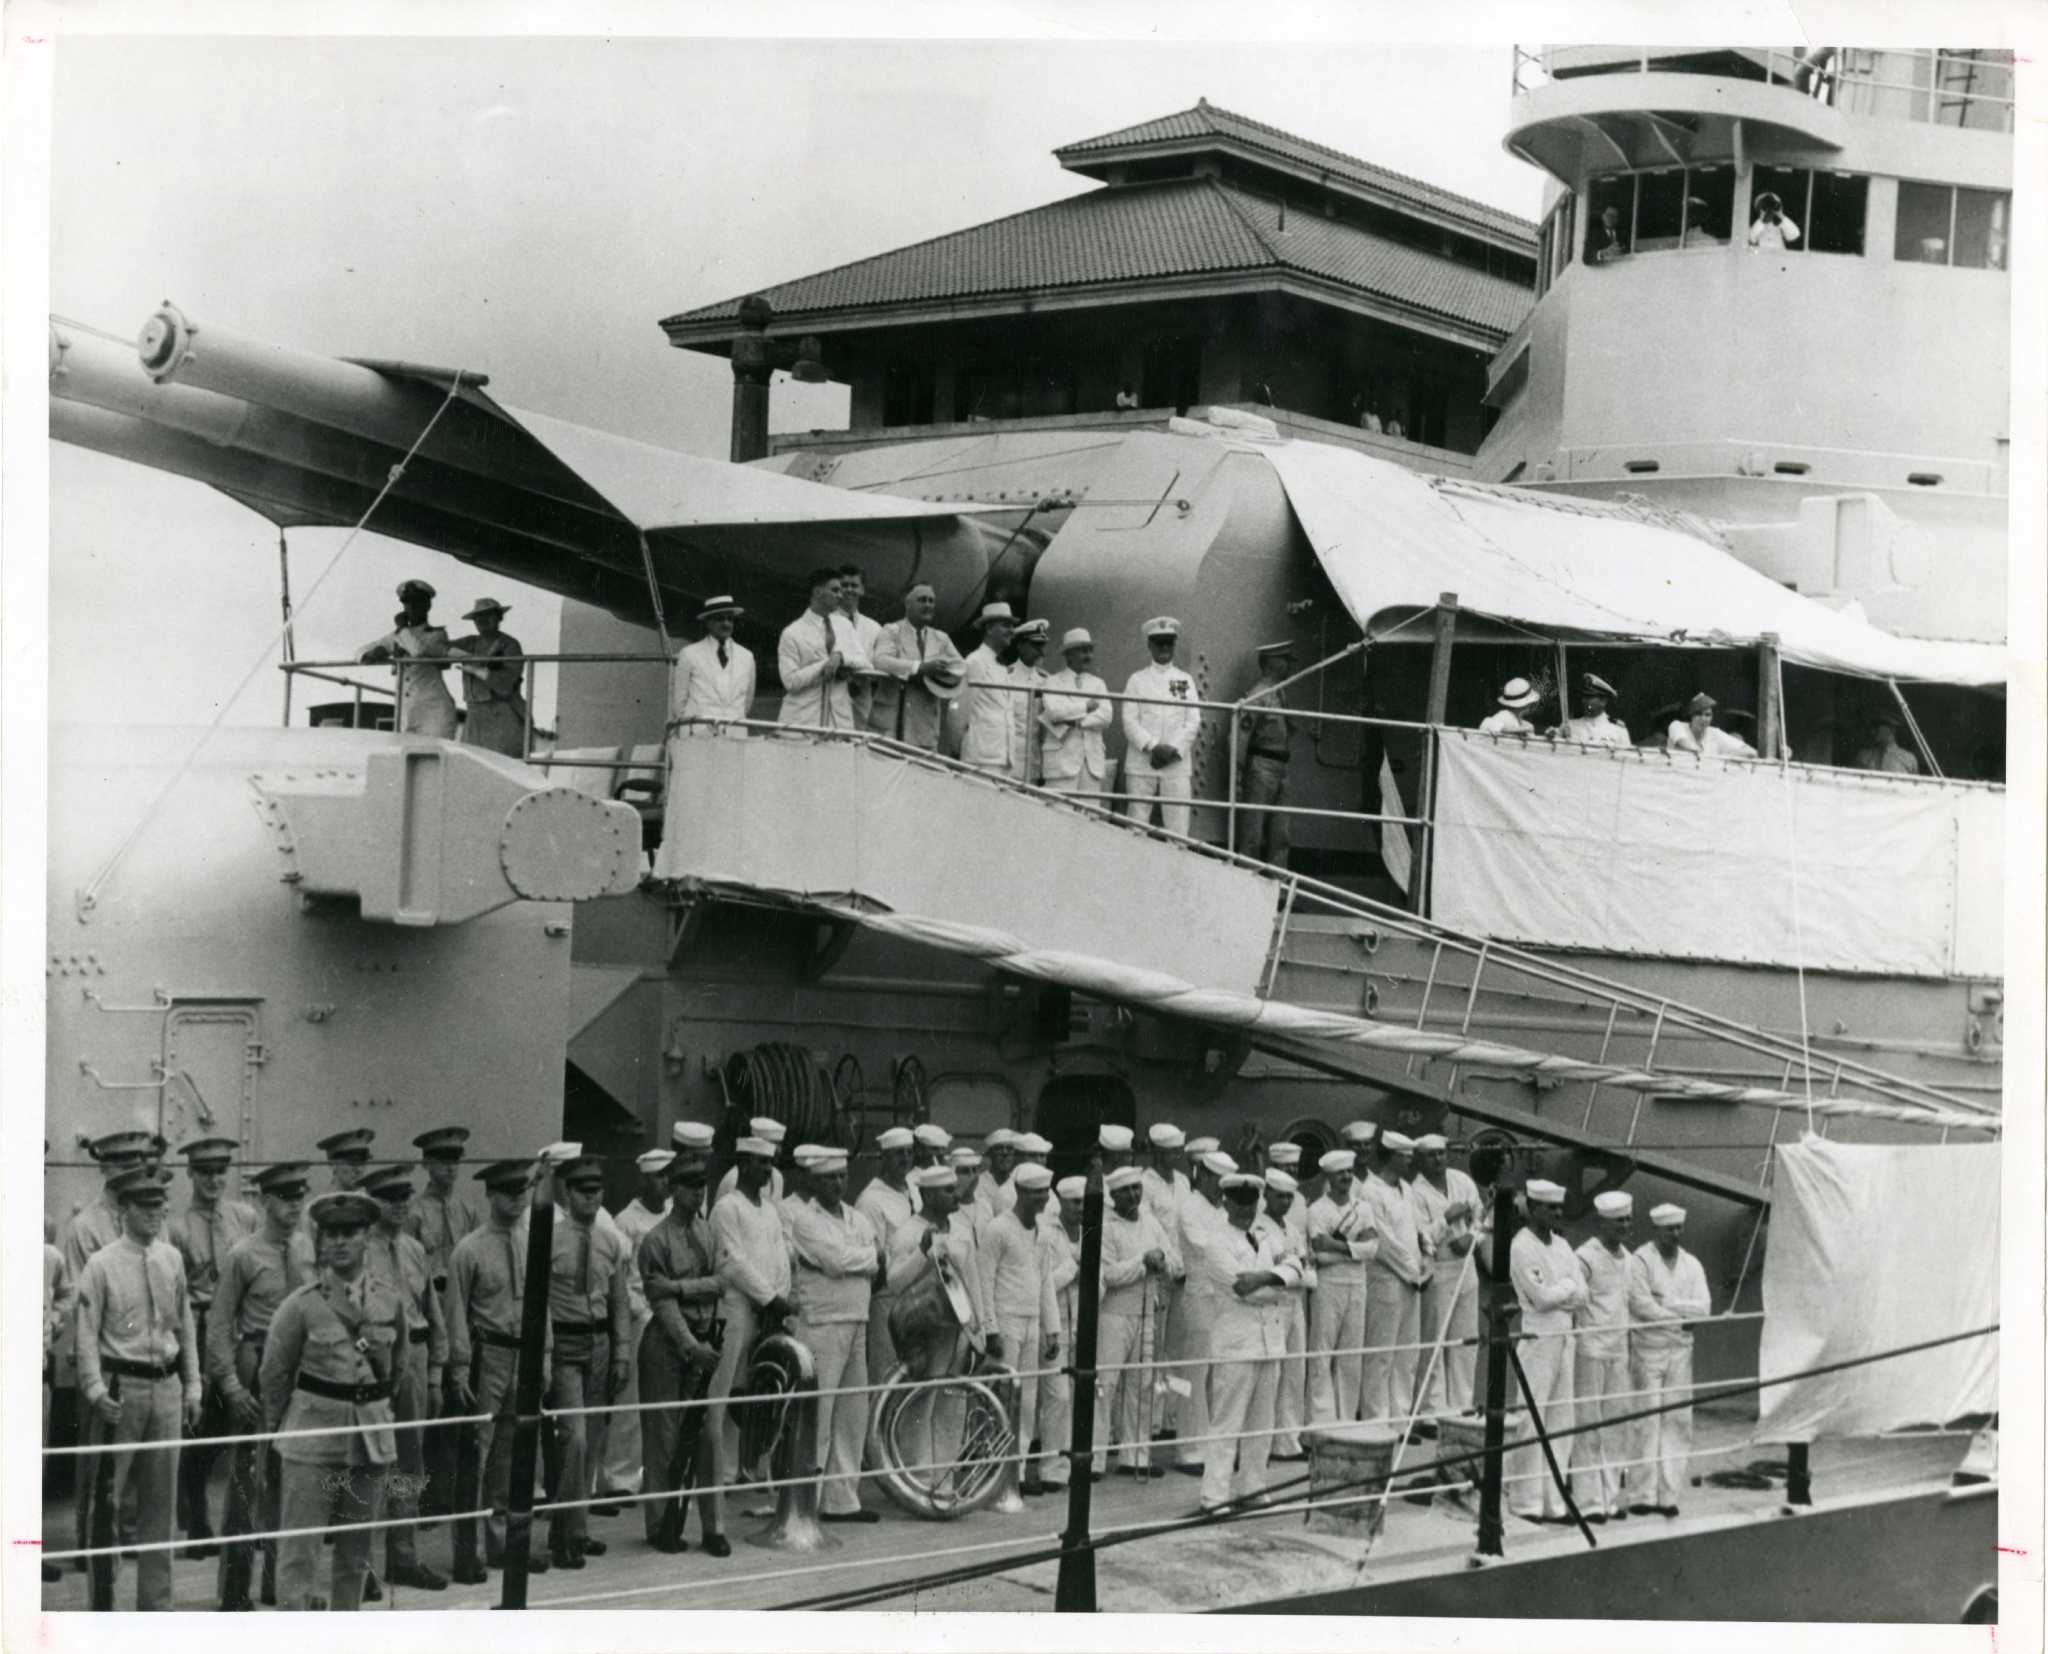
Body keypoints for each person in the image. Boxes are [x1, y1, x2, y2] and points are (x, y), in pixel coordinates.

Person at [257, 1190, 403, 1611]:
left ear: (366, 1238)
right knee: (298, 1555)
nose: (339, 1242)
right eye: (331, 1234)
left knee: (355, 1556)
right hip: (312, 1442)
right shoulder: (299, 1306)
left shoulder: (388, 1301)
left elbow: (396, 1370)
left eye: (350, 1232)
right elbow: (274, 1378)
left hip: (370, 1441)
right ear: (320, 1242)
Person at [73, 1164, 201, 1611]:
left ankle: (156, 1607)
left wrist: (194, 1387)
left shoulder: (172, 1259)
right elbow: (85, 1331)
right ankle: (103, 1607)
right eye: (144, 1205)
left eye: (160, 1203)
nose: (155, 1212)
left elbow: (184, 1323)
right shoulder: (101, 1264)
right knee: (106, 1502)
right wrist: (92, 1388)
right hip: (119, 1391)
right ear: (123, 1208)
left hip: (165, 1388)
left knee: (161, 1506)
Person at [210, 1161, 314, 1610]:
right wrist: (231, 1385)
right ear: (266, 1201)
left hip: (300, 1370)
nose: (294, 1207)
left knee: (292, 1477)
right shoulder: (243, 1255)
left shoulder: (310, 1251)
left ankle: (281, 1582)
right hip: (256, 1366)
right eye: (286, 1198)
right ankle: (235, 1588)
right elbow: (218, 1326)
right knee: (247, 1478)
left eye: (299, 1198)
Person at [447, 1159, 553, 1581]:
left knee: (512, 1456)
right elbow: (457, 1313)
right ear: (490, 1194)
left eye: (523, 1190)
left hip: (523, 1357)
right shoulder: (469, 1250)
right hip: (486, 1356)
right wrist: (458, 1368)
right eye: (508, 1191)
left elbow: (539, 1303)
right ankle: (465, 1552)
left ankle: (506, 1545)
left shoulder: (533, 1242)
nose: (517, 1198)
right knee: (477, 1452)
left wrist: (543, 1356)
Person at [356, 1166, 449, 1590]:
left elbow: (431, 1311)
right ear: (373, 1202)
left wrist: (435, 1373)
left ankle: (404, 1556)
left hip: (414, 1358)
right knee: (371, 1462)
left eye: (403, 1196)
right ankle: (363, 1566)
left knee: (410, 1460)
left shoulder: (414, 1250)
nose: (398, 1204)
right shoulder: (358, 1251)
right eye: (389, 1197)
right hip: (374, 1363)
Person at [1186, 1172, 1301, 1515]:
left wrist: (1266, 1278)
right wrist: (1279, 1283)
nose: (1247, 1209)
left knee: (1262, 1423)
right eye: (1240, 1202)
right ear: (1226, 1202)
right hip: (1236, 1344)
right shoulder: (1217, 1242)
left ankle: (1253, 1487)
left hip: (1270, 1341)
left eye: (1252, 1203)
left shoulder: (1265, 1236)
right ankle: (1215, 1495)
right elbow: (1240, 1289)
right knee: (1228, 1421)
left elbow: (1301, 1270)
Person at [542, 1155, 632, 1569]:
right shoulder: (549, 1239)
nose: (590, 1198)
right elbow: (540, 1303)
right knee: (573, 1439)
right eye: (582, 1190)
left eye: (596, 1191)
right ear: (567, 1192)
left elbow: (619, 1302)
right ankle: (563, 1535)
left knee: (591, 1442)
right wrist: (544, 1354)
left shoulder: (611, 1242)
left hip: (599, 1345)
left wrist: (621, 1353)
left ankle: (576, 1531)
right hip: (564, 1345)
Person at [168, 1136, 256, 1558]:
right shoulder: (177, 1228)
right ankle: (197, 1520)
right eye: (205, 1172)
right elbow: (177, 1292)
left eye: (221, 1171)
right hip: (201, 1330)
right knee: (203, 1429)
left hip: (241, 1330)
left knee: (241, 1426)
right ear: (190, 1174)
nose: (214, 1180)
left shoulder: (244, 1218)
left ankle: (244, 1519)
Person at [786, 1146, 884, 1522]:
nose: (838, 1183)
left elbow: (872, 1258)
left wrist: (859, 1259)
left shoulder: (858, 1219)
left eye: (842, 1176)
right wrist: (865, 1258)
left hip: (857, 1319)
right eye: (830, 1177)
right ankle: (805, 1499)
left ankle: (842, 1500)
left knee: (851, 1413)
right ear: (814, 1180)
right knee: (819, 1415)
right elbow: (836, 1261)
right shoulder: (804, 1221)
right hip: (823, 1323)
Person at [636, 1156, 726, 1555]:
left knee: (707, 1438)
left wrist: (682, 1287)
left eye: (702, 1185)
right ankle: (661, 1525)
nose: (698, 1192)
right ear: (673, 1189)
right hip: (669, 1346)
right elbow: (661, 1302)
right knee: (664, 1438)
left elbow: (724, 1281)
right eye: (689, 1186)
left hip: (704, 1341)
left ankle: (713, 1527)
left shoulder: (708, 1234)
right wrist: (691, 1345)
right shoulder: (656, 1240)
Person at [705, 1137, 795, 1533]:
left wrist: (780, 1298)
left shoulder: (769, 1212)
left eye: (770, 1163)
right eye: (760, 1163)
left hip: (765, 1311)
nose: (767, 1170)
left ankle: (735, 1469)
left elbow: (779, 1258)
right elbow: (732, 1261)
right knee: (720, 1391)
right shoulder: (727, 1208)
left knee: (748, 1392)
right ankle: (711, 1475)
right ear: (743, 1163)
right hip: (736, 1309)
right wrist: (770, 1297)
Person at [885, 1165, 989, 1486]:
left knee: (952, 1406)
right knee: (919, 1405)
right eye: (947, 1191)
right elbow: (894, 1283)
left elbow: (972, 1281)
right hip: (921, 1331)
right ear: (928, 1195)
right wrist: (922, 1252)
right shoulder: (906, 1232)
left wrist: (979, 1333)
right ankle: (918, 1479)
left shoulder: (961, 1228)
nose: (955, 1195)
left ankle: (943, 1479)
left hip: (954, 1329)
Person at [404, 1125, 482, 1519]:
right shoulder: (415, 1213)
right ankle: (420, 1497)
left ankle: (447, 1496)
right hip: (430, 1308)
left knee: (457, 1403)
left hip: (463, 1310)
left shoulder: (467, 1210)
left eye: (455, 1161)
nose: (450, 1169)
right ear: (427, 1164)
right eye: (442, 1161)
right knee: (428, 1408)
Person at [1506, 1178, 1588, 1523]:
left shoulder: (1563, 1246)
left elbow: (1584, 1294)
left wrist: (1565, 1290)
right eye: (1551, 1208)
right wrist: (1568, 1287)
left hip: (1565, 1337)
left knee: (1560, 1419)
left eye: (1559, 1207)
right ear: (1534, 1209)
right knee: (1531, 1418)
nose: (1557, 1213)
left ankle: (1554, 1501)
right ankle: (1526, 1500)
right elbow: (1540, 1300)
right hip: (1538, 1338)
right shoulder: (1521, 1246)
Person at [977, 1163, 1061, 1489]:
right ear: (1022, 1192)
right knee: (1002, 1400)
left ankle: (1018, 1472)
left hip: (1032, 1321)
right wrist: (990, 1329)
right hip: (1006, 1322)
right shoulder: (998, 1229)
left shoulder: (1042, 1233)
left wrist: (1052, 1330)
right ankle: (995, 1471)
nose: (1043, 1198)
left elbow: (1045, 1284)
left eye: (1045, 1191)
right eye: (1037, 1192)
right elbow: (985, 1281)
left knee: (1026, 1401)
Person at [598, 1148, 674, 1507]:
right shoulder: (625, 1220)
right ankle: (620, 1477)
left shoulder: (674, 1214)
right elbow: (623, 1280)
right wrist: (646, 1311)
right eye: (659, 1177)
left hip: (672, 1317)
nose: (665, 1184)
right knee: (631, 1401)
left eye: (667, 1176)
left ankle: (652, 1473)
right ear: (645, 1179)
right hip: (641, 1318)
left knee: (662, 1399)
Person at [1626, 1203, 1712, 1518]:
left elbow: (1704, 1308)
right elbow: (1640, 1305)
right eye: (1669, 1229)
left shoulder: (1692, 1265)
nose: (1675, 1234)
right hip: (1648, 1350)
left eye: (1678, 1229)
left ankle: (1668, 1494)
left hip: (1680, 1352)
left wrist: (1667, 1304)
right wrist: (1678, 1315)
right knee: (1646, 1420)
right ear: (1656, 1229)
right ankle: (1641, 1494)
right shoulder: (1640, 1261)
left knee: (1677, 1420)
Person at [1098, 1165, 1171, 1477]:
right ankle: (1095, 1458)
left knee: (1141, 1386)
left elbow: (1169, 1259)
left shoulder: (1152, 1223)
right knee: (1106, 1384)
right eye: (1125, 1191)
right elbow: (1109, 1275)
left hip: (1145, 1312)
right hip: (1114, 1315)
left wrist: (1161, 1261)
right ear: (1113, 1195)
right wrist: (1143, 1263)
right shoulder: (1106, 1228)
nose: (1133, 1195)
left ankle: (1136, 1456)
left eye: (1136, 1189)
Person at [1356, 1132, 1430, 1430]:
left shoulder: (1406, 1190)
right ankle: (1377, 1421)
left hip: (1414, 1281)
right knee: (1381, 1354)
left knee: (1406, 1353)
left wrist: (1427, 1259)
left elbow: (1417, 1231)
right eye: (1406, 1156)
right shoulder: (1370, 1192)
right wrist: (1414, 1272)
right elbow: (1385, 1242)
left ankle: (1400, 1421)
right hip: (1386, 1280)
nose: (1410, 1160)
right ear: (1392, 1156)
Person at [1571, 1190, 1635, 1523]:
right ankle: (1588, 1499)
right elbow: (1574, 1303)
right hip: (1591, 1350)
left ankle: (1610, 1495)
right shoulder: (1584, 1257)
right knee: (1588, 1424)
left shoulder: (1630, 1259)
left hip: (1618, 1351)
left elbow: (1634, 1303)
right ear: (1601, 1223)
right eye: (1618, 1220)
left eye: (1627, 1218)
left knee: (1615, 1426)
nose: (1625, 1225)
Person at [1168, 1148, 1234, 1470]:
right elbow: (1207, 1248)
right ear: (1205, 1176)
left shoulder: (1221, 1210)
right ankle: (1189, 1450)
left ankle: (1210, 1448)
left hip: (1222, 1300)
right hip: (1199, 1298)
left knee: (1215, 1376)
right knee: (1193, 1376)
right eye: (1219, 1181)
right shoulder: (1190, 1208)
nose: (1223, 1189)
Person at [1409, 1133, 1481, 1425]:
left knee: (1465, 1339)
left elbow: (1481, 1217)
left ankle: (1461, 1404)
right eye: (1431, 1155)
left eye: (1441, 1153)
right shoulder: (1415, 1192)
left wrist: (1471, 1239)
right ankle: (1431, 1410)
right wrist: (1447, 1219)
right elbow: (1422, 1238)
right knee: (1435, 1338)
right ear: (1419, 1159)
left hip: (1466, 1265)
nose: (1439, 1159)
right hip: (1438, 1267)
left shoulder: (1461, 1181)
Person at [1305, 1148, 1372, 1426]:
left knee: (1350, 1355)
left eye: (1348, 1171)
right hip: (1328, 1286)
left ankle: (1344, 1421)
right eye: (1339, 1173)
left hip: (1357, 1283)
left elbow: (1373, 1248)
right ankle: (1320, 1423)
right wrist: (1354, 1249)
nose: (1346, 1176)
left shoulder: (1363, 1208)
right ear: (1329, 1177)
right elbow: (1317, 1252)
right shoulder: (1317, 1210)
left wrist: (1336, 1248)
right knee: (1322, 1352)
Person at [1121, 617, 1201, 836]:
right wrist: (1153, 747)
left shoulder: (1185, 681)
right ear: (1150, 645)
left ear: (1174, 645)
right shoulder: (1137, 680)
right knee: (1136, 827)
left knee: (1177, 829)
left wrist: (1172, 749)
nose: (1164, 648)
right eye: (1159, 643)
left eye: (1169, 643)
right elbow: (1129, 720)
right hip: (1142, 761)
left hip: (1175, 762)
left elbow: (1193, 721)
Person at [857, 1126, 921, 1384]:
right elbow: (876, 1259)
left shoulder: (913, 1190)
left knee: (911, 1375)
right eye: (898, 1153)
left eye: (909, 1152)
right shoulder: (871, 1200)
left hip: (915, 1297)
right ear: (883, 1158)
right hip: (887, 1299)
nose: (905, 1158)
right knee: (886, 1372)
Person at [357, 579, 459, 738]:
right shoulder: (397, 635)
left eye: (417, 602)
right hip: (407, 713)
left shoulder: (436, 634)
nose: (411, 607)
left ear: (427, 606)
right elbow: (360, 651)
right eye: (407, 602)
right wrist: (368, 655)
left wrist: (402, 627)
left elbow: (418, 651)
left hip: (434, 712)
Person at [1260, 1166, 1315, 1459]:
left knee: (1295, 1372)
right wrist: (1296, 1268)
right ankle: (1265, 1441)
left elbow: (1303, 1264)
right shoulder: (1259, 1228)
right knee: (1273, 1375)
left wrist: (1295, 1268)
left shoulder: (1292, 1230)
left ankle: (1287, 1442)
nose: (1284, 1202)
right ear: (1266, 1195)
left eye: (1288, 1197)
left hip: (1296, 1305)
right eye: (1279, 1196)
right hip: (1275, 1304)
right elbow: (1276, 1268)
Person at [1037, 1176, 1087, 1493]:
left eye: (1084, 1203)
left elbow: (1101, 1282)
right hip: (1052, 1325)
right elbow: (1045, 1284)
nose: (1080, 1209)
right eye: (1074, 1203)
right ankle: (1049, 1467)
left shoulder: (1091, 1233)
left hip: (1081, 1321)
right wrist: (1073, 1267)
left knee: (1074, 1396)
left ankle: (1067, 1464)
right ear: (1062, 1203)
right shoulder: (1047, 1234)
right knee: (1056, 1397)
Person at [869, 583, 966, 749]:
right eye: (922, 600)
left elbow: (960, 667)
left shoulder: (941, 638)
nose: (928, 605)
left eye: (931, 601)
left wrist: (939, 675)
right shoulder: (892, 631)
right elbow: (880, 661)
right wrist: (919, 668)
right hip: (893, 722)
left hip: (926, 724)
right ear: (908, 604)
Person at [1237, 639, 1297, 867]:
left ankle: (1278, 892)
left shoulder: (1280, 694)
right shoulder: (1258, 696)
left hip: (1281, 768)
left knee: (1281, 835)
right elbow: (1241, 735)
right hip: (1261, 768)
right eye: (1286, 661)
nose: (1290, 666)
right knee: (1252, 834)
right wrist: (1238, 773)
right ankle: (1246, 887)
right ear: (1274, 663)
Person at [776, 567, 859, 731]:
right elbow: (790, 682)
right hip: (802, 719)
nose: (841, 595)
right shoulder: (792, 632)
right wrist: (824, 665)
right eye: (835, 590)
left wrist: (840, 657)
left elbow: (864, 661)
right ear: (818, 592)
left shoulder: (845, 625)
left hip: (839, 720)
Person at [1039, 627, 1114, 805]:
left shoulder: (1098, 684)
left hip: (1091, 764)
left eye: (1090, 651)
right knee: (1059, 814)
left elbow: (1106, 716)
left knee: (1090, 816)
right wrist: (1086, 707)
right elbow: (1054, 712)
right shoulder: (1053, 681)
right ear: (1069, 654)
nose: (1088, 656)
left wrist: (1075, 721)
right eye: (1083, 651)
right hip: (1061, 763)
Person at [448, 597, 530, 756]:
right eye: (478, 617)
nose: (483, 620)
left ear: (499, 617)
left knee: (502, 767)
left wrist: (479, 670)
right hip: (474, 715)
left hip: (502, 713)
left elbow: (506, 685)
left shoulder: (510, 645)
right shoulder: (471, 642)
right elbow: (441, 647)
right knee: (471, 767)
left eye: (488, 615)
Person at [667, 596, 756, 739]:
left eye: (730, 619)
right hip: (698, 737)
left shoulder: (747, 657)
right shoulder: (689, 654)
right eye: (720, 619)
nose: (726, 624)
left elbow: (747, 702)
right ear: (708, 622)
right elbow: (678, 703)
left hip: (735, 737)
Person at [953, 601, 1021, 773]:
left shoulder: (1002, 666)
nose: (1011, 631)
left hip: (1003, 757)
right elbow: (959, 711)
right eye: (1006, 625)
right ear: (989, 628)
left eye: (1012, 626)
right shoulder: (975, 661)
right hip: (980, 757)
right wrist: (958, 748)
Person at [836, 564, 884, 728]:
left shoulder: (874, 628)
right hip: (833, 702)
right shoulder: (826, 622)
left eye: (854, 585)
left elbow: (880, 665)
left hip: (862, 706)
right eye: (844, 585)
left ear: (862, 590)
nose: (849, 590)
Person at [1007, 619, 1053, 784]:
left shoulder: (1046, 680)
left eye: (1042, 646)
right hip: (1010, 761)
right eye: (1036, 646)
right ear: (1020, 645)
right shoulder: (1006, 677)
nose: (1041, 652)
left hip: (1034, 763)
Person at [1667, 691, 1757, 758]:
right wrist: (1713, 757)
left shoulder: (1715, 733)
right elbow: (1688, 746)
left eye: (1707, 715)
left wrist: (1721, 757)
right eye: (1698, 714)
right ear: (1691, 716)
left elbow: (1751, 752)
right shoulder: (1677, 726)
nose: (1703, 719)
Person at [1560, 673, 1631, 748]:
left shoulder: (1618, 731)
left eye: (1589, 697)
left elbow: (1625, 758)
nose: (1584, 701)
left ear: (1603, 701)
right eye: (1583, 697)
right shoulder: (1569, 726)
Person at [1852, 712, 1922, 775]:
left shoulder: (1908, 759)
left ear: (1891, 729)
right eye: (1873, 727)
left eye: (1877, 727)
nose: (1873, 731)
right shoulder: (1863, 757)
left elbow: (1914, 787)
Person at [1479, 677, 1546, 737]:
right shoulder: (1505, 715)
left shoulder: (1523, 722)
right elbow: (1486, 725)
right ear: (1526, 704)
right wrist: (1521, 729)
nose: (1531, 704)